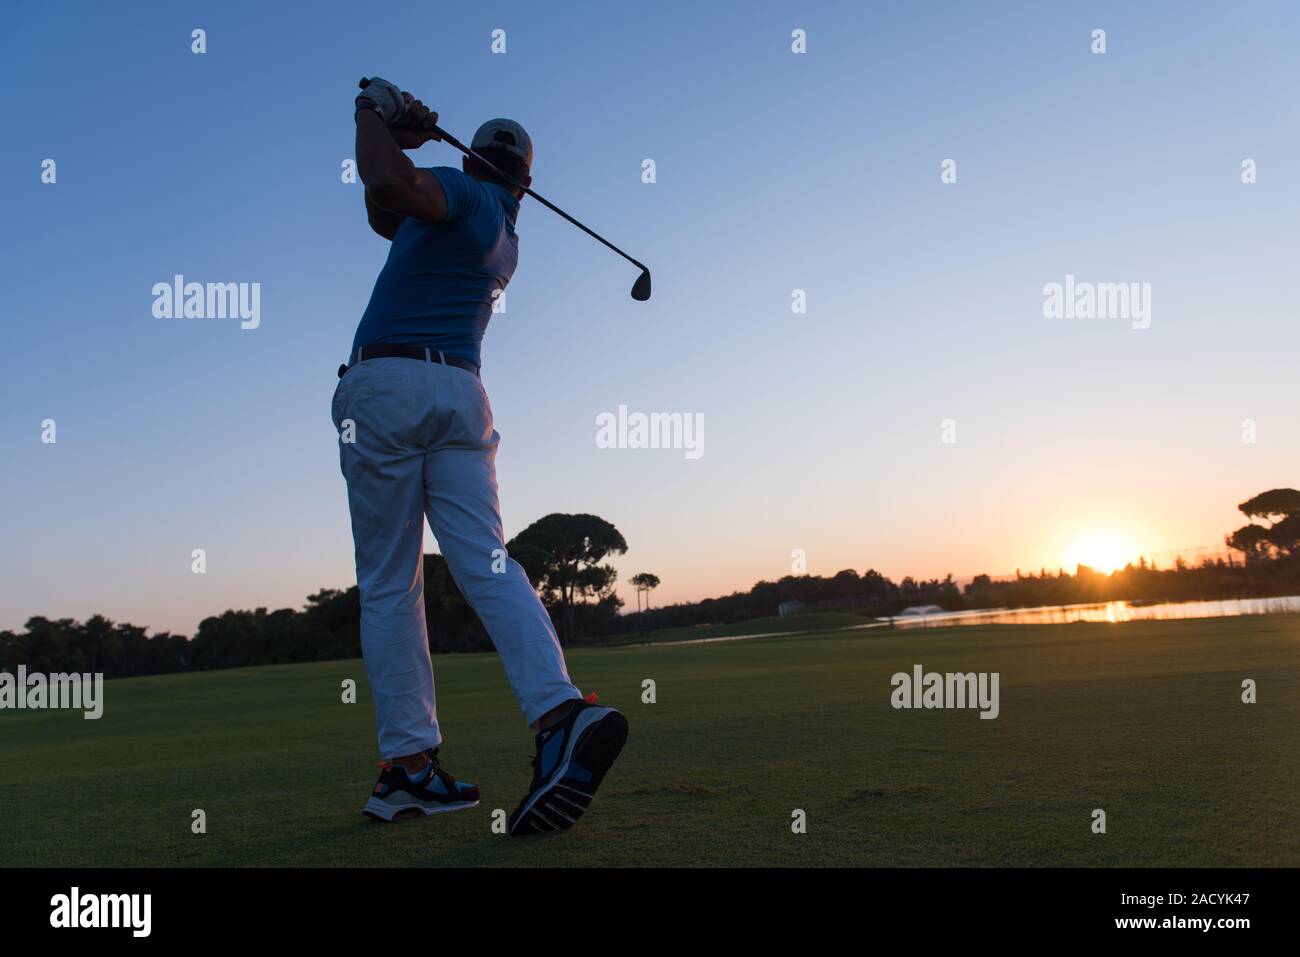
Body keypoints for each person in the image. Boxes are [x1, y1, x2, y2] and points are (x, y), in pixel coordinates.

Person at [334, 77, 627, 834]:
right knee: (488, 561)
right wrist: (408, 135)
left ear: (479, 164)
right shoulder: (502, 231)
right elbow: (386, 207)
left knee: (392, 583)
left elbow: (381, 180)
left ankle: (408, 765)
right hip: (461, 394)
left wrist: (371, 111)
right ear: (525, 180)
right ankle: (559, 712)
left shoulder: (463, 196)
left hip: (388, 387)